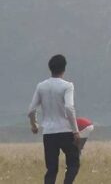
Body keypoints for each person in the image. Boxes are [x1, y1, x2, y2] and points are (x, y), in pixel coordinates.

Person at [28, 54, 80, 184]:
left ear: (50, 68)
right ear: (64, 68)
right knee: (73, 163)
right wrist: (75, 131)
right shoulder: (67, 86)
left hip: (49, 133)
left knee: (51, 169)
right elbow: (69, 107)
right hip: (65, 130)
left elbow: (31, 109)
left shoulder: (41, 86)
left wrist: (34, 125)